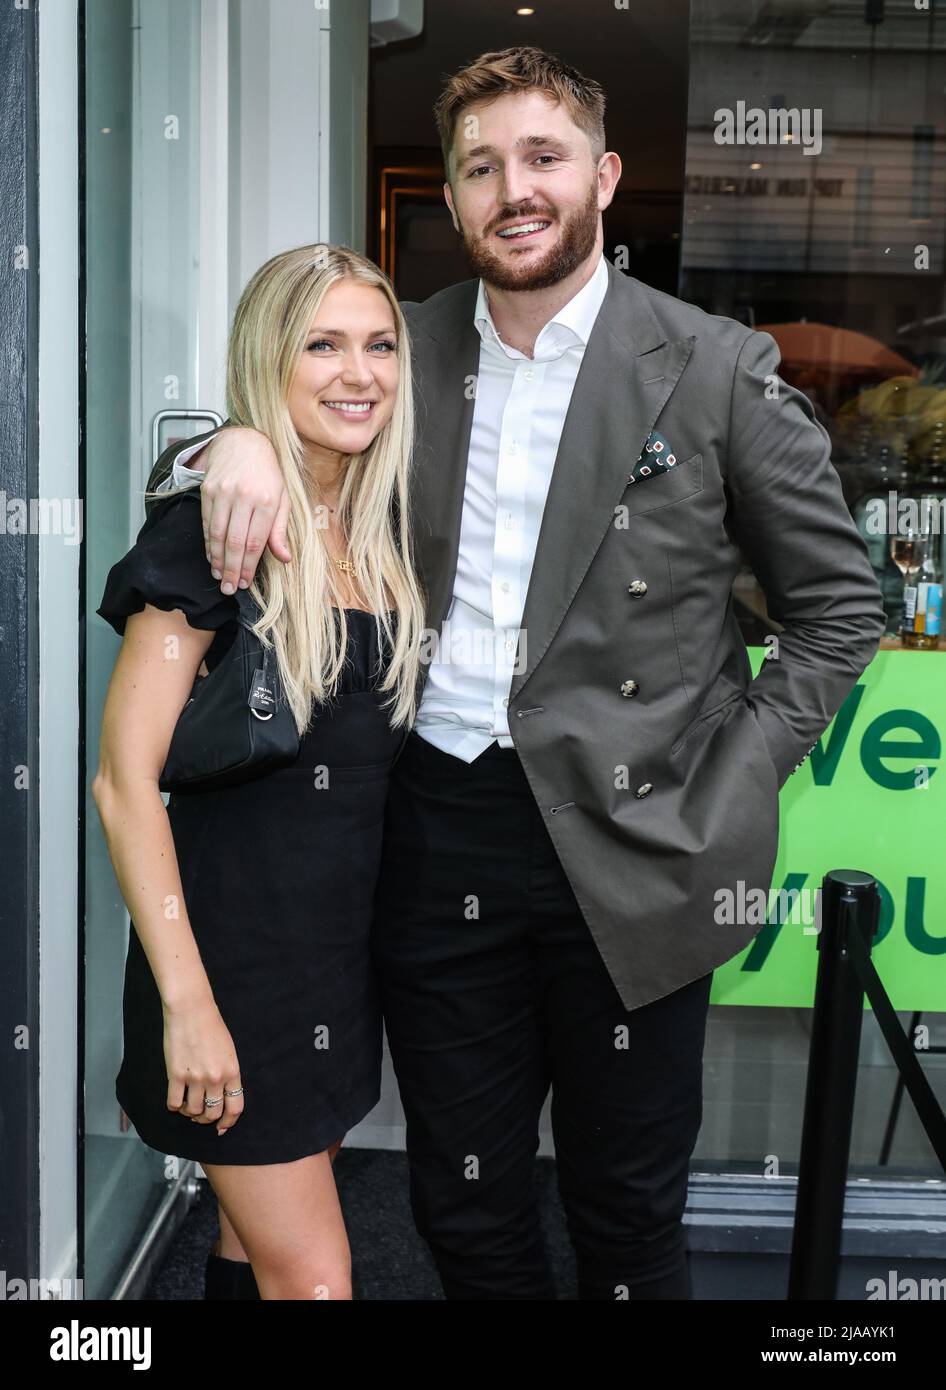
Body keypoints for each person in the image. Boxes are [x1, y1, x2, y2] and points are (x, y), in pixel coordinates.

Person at [149, 47, 887, 1300]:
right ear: (451, 195)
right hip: (439, 834)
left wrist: (727, 781)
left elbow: (837, 611)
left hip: (642, 837)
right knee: (464, 1202)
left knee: (626, 1211)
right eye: (481, 166)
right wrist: (230, 445)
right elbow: (290, 403)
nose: (514, 188)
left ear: (600, 175)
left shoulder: (712, 365)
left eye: (542, 157)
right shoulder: (405, 351)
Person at [93, 244, 426, 1300]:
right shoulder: (212, 534)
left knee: (252, 1248)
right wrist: (187, 1003)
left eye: (379, 344)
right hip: (230, 968)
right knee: (316, 1279)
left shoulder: (376, 540)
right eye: (321, 344)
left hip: (334, 964)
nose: (357, 372)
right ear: (267, 361)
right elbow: (121, 781)